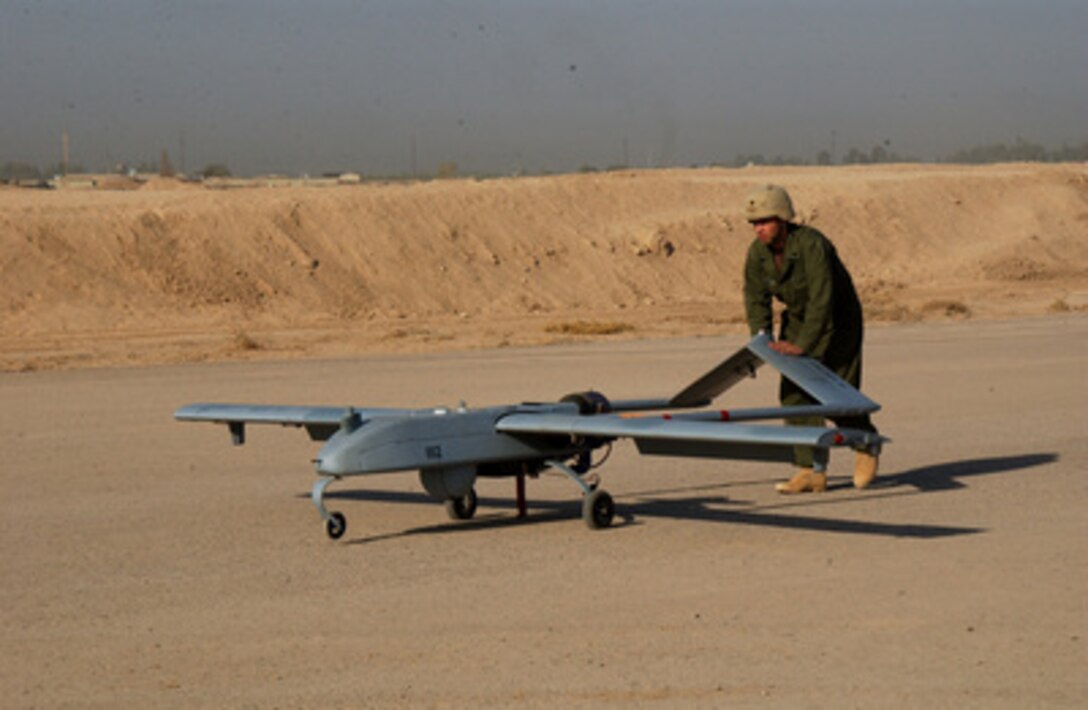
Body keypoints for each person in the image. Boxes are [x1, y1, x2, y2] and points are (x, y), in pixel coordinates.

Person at [741, 184, 879, 493]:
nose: (757, 229)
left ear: (782, 218)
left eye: (763, 222)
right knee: (794, 395)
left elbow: (822, 299)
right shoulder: (757, 254)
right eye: (754, 223)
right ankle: (810, 470)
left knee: (835, 395)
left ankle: (866, 443)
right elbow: (755, 297)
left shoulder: (812, 245)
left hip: (838, 322)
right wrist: (761, 339)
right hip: (801, 319)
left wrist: (802, 345)